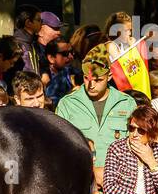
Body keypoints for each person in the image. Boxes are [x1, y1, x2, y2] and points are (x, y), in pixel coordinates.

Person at [54, 42, 134, 183]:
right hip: (79, 182)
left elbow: (134, 146)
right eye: (86, 78)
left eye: (98, 80)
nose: (91, 85)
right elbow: (58, 148)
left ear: (109, 76)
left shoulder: (126, 103)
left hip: (118, 185)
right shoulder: (68, 104)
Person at [42, 38, 76, 106]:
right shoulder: (42, 77)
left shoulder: (72, 72)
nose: (71, 57)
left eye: (71, 52)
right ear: (51, 58)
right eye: (65, 54)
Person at [12, 5, 44, 74]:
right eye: (39, 20)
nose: (41, 23)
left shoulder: (33, 43)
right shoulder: (16, 44)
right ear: (28, 23)